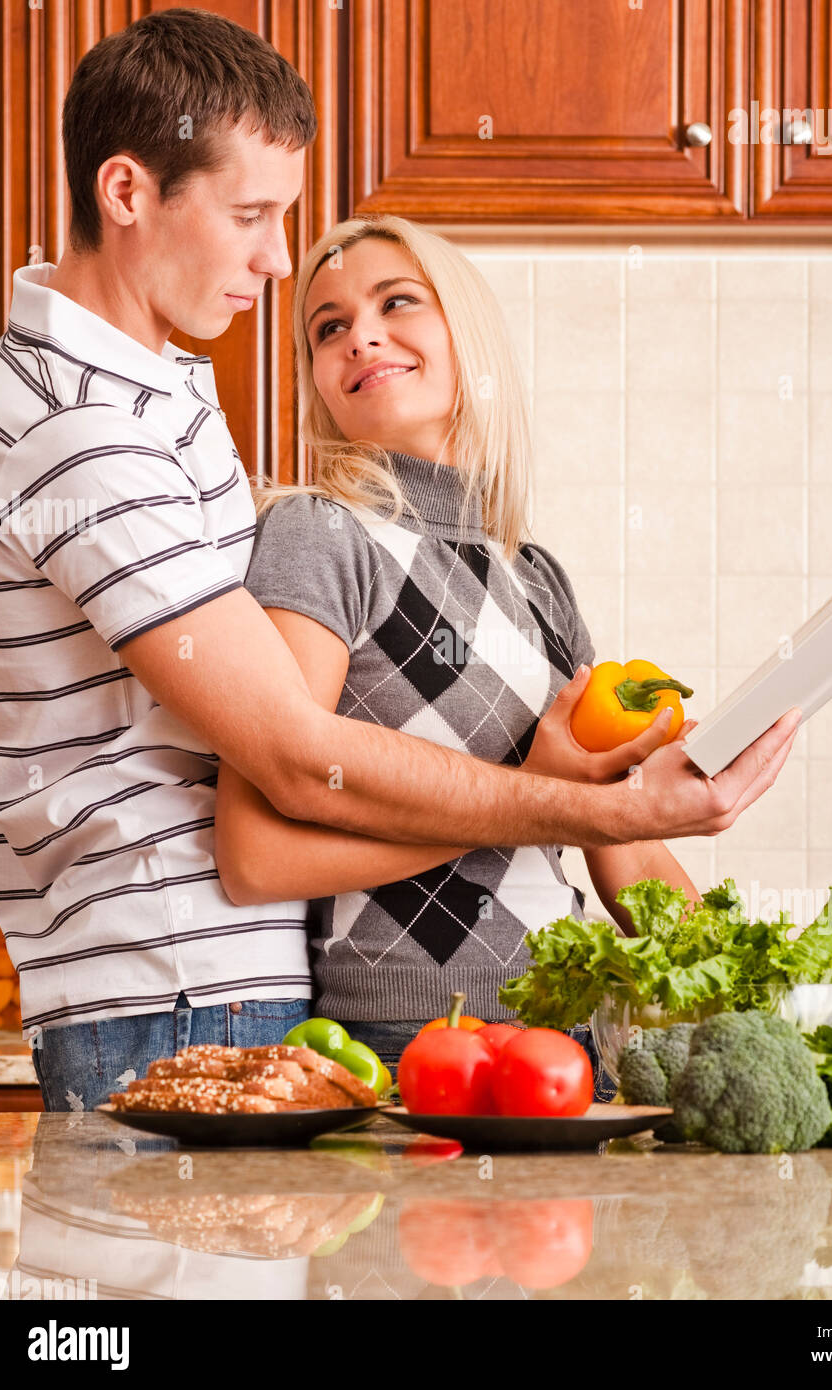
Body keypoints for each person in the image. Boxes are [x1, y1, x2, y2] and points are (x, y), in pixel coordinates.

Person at [0, 10, 800, 1111]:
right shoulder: (84, 426)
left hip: (227, 977)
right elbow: (286, 755)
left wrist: (622, 838)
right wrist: (574, 803)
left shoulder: (157, 393)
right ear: (128, 193)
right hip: (172, 982)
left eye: (394, 303)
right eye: (253, 216)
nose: (276, 261)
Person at [213, 214, 719, 1090]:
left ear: (467, 333)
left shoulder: (535, 575)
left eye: (395, 301)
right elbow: (261, 857)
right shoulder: (319, 535)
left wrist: (755, 986)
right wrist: (544, 798)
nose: (359, 334)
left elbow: (618, 844)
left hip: (569, 1043)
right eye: (327, 326)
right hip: (404, 1043)